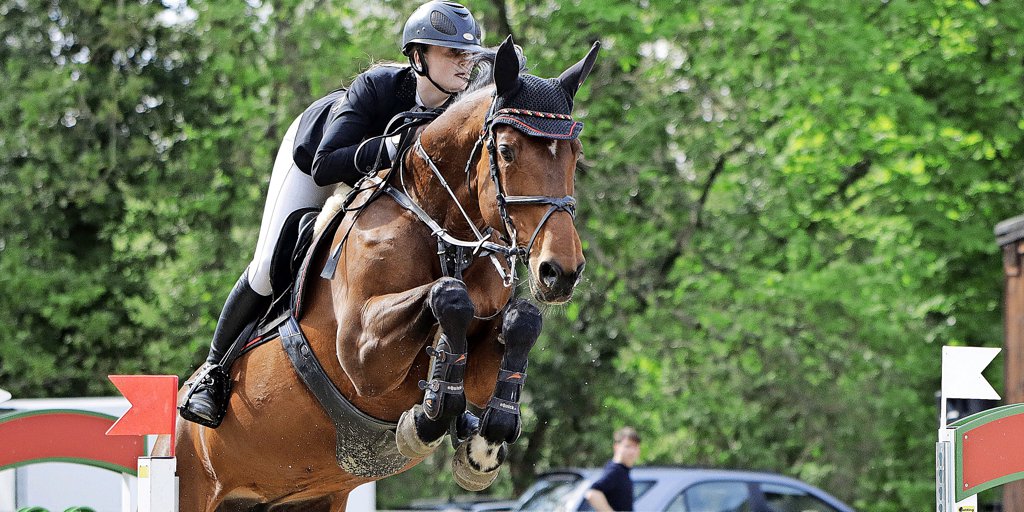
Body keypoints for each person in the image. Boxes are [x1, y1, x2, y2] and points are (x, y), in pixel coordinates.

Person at [178, 0, 485, 428]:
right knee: (270, 263)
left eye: (469, 55)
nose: (464, 63)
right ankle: (211, 374)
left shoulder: (459, 113)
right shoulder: (377, 87)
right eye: (453, 53)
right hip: (316, 156)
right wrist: (395, 145)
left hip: (379, 187)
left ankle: (450, 398)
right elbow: (328, 164)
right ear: (418, 57)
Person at [585, 427, 641, 512]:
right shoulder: (615, 470)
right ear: (617, 447)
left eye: (635, 447)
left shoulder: (622, 470)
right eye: (628, 446)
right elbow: (593, 493)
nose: (632, 451)